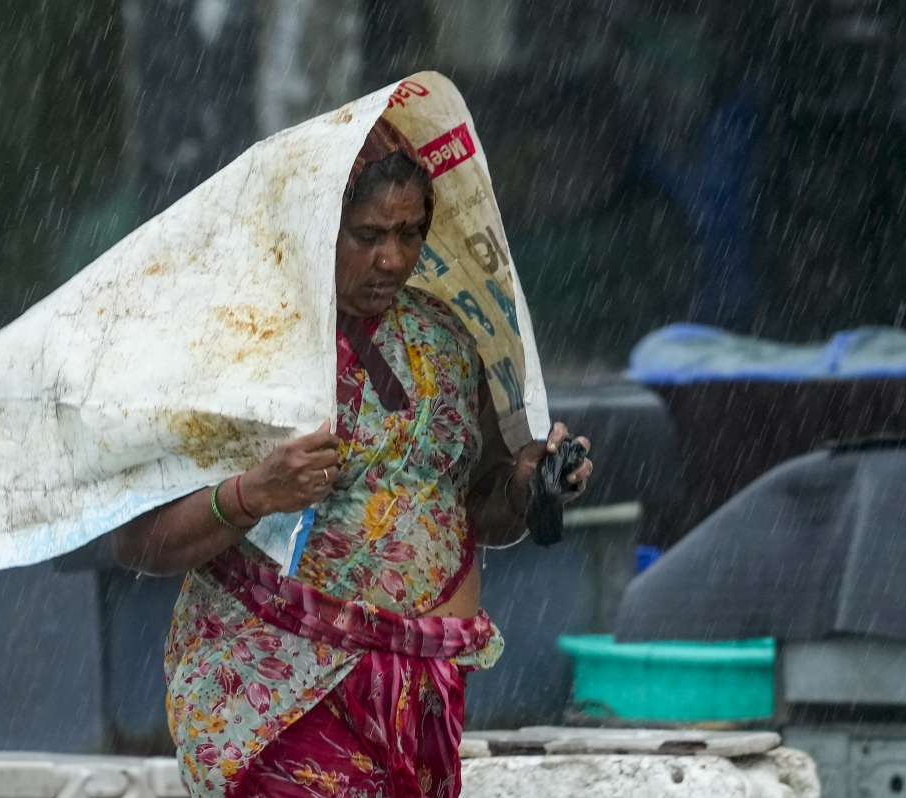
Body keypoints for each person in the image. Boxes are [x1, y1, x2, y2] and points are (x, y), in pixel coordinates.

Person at [111, 117, 593, 798]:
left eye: (410, 234)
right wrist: (253, 493)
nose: (392, 259)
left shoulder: (449, 342)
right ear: (314, 228)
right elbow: (138, 541)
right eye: (367, 235)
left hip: (418, 702)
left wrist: (527, 483)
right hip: (275, 697)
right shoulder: (247, 353)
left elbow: (476, 510)